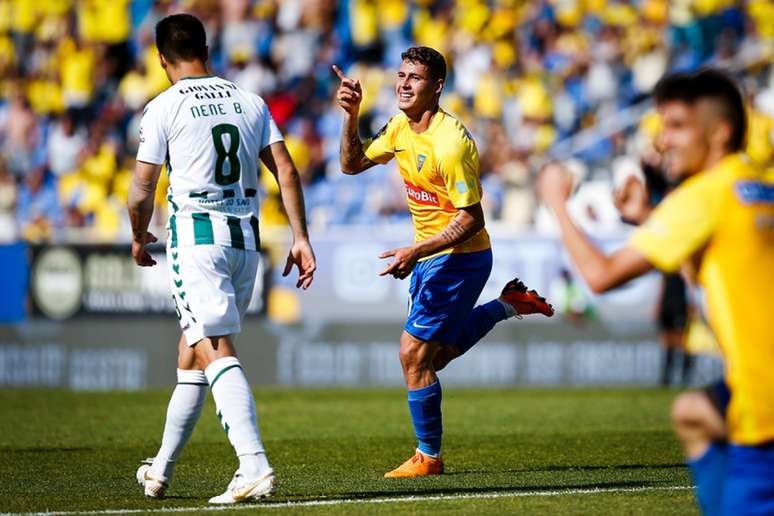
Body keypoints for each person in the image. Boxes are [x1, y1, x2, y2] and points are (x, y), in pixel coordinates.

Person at [537, 68, 774, 515]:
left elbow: (602, 275)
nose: (664, 140)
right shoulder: (757, 185)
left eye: (678, 127)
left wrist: (556, 205)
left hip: (765, 411)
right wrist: (649, 216)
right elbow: (712, 263)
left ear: (719, 133)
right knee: (692, 412)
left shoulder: (704, 195)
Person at [333, 46, 554, 478]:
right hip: (432, 256)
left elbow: (472, 218)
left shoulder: (451, 144)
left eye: (414, 78)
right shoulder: (400, 126)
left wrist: (415, 251)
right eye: (400, 75)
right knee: (435, 358)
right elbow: (351, 164)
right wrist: (350, 115)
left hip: (460, 258)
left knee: (412, 355)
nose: (403, 84)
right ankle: (509, 304)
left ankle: (428, 457)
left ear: (437, 87)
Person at [127, 14, 316, 504]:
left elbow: (142, 187)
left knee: (213, 346)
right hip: (244, 242)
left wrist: (136, 235)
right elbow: (287, 171)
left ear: (162, 58)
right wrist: (300, 236)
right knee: (192, 353)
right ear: (207, 51)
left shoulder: (163, 106)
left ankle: (252, 463)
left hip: (197, 240)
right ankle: (160, 469)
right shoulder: (249, 100)